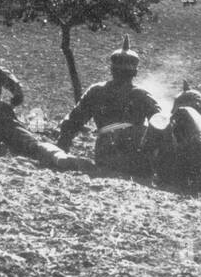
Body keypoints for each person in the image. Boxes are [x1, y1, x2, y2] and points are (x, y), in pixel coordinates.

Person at [57, 36, 162, 177]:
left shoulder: (96, 91)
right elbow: (160, 124)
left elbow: (72, 122)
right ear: (135, 73)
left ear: (111, 70)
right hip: (136, 161)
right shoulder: (141, 95)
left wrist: (62, 149)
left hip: (104, 156)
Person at [0, 67, 93, 172]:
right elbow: (15, 122)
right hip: (8, 131)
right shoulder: (2, 106)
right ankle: (59, 156)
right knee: (33, 144)